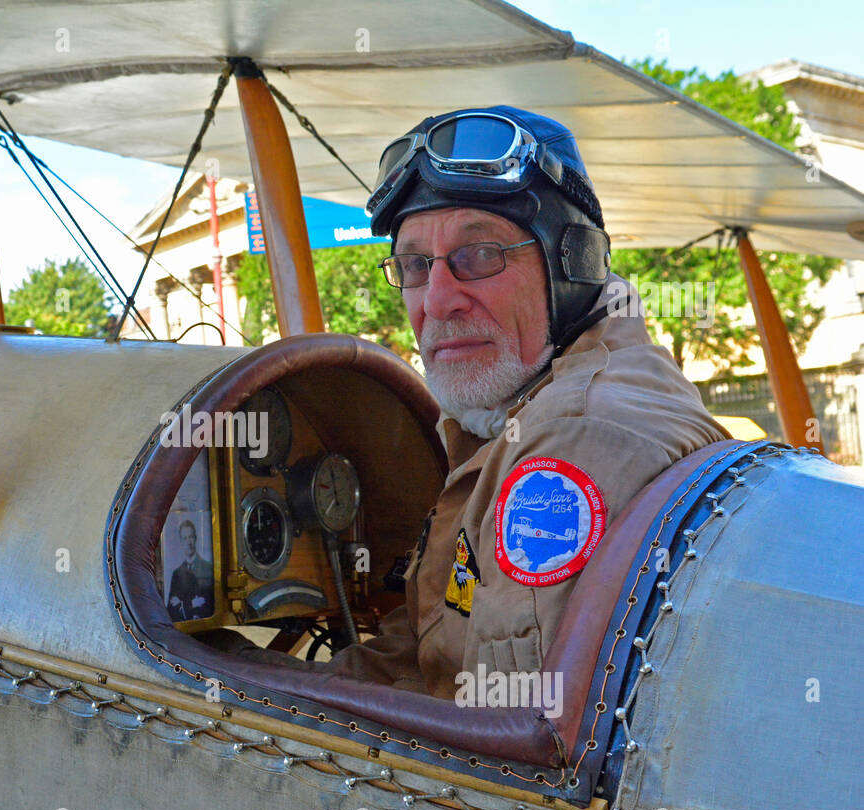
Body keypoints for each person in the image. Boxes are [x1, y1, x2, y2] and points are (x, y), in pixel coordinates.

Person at [209, 106, 730, 699]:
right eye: (414, 265)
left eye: (480, 255)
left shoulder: (570, 441)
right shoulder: (514, 413)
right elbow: (427, 659)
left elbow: (502, 749)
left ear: (573, 265)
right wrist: (250, 678)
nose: (437, 301)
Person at [167, 519, 214, 621]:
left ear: (196, 538)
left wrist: (182, 603)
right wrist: (192, 603)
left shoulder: (208, 568)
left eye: (191, 537)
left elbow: (209, 603)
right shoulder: (177, 574)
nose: (188, 542)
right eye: (185, 538)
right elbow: (171, 611)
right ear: (181, 542)